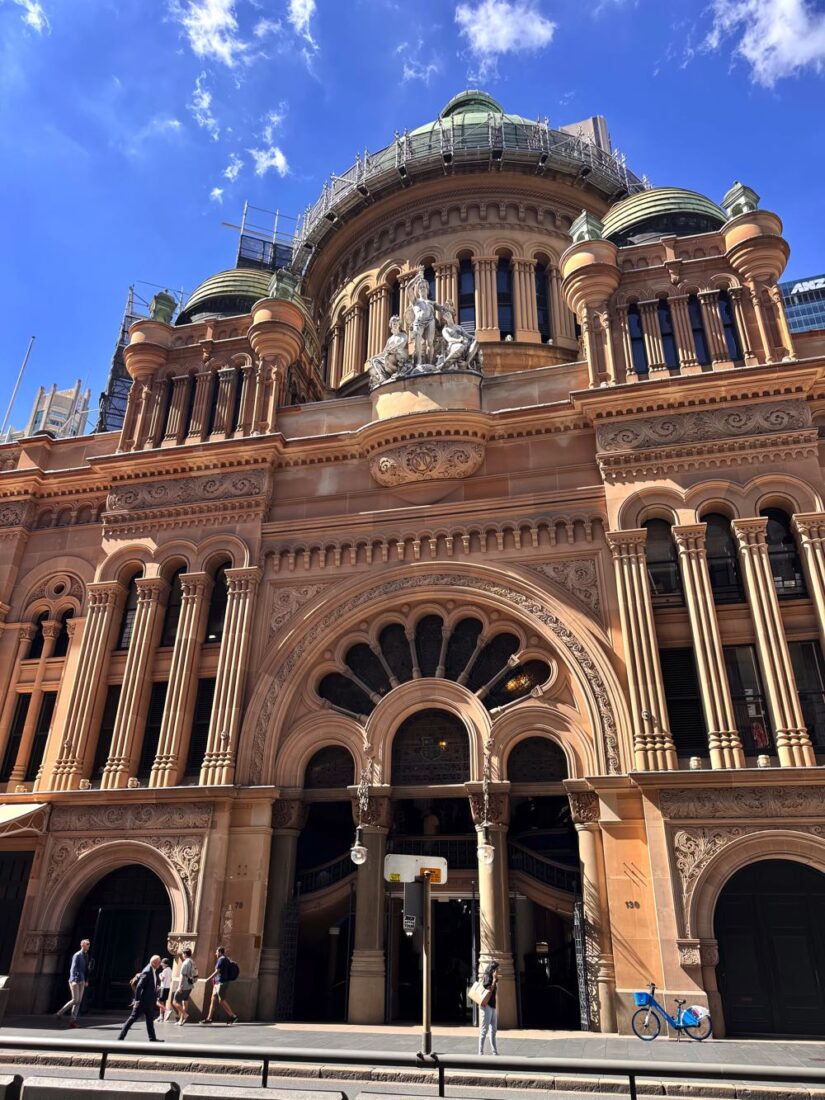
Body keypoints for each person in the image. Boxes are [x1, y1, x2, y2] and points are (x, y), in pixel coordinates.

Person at [117, 955, 163, 1042]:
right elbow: (139, 986)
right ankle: (120, 1037)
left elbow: (149, 985)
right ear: (153, 963)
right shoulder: (147, 971)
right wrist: (137, 1000)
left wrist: (156, 989)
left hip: (149, 1002)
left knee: (150, 1021)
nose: (160, 964)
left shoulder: (153, 970)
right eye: (158, 962)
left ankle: (152, 1038)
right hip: (142, 1002)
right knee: (132, 1019)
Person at [55, 938, 90, 1028]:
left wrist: (86, 980)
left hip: (82, 980)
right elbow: (73, 968)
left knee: (78, 1002)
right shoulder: (77, 955)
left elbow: (86, 969)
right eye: (87, 944)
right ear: (82, 945)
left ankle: (72, 1021)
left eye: (89, 944)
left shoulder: (86, 956)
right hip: (75, 980)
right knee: (75, 1000)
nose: (88, 946)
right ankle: (60, 1013)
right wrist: (73, 979)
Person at [200, 946, 238, 1025]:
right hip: (218, 982)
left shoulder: (221, 960)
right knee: (213, 999)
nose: (215, 954)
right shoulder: (226, 959)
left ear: (220, 952)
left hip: (221, 982)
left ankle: (233, 1016)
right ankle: (209, 1018)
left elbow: (217, 971)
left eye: (216, 952)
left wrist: (208, 978)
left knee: (221, 1000)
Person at [478, 960, 499, 1055]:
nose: (498, 971)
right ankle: (480, 1052)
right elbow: (489, 990)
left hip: (493, 1006)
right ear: (492, 970)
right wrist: (494, 980)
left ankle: (494, 1052)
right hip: (487, 1006)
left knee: (493, 1030)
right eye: (496, 969)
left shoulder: (492, 977)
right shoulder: (487, 977)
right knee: (484, 1030)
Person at [171, 948, 196, 1025]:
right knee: (184, 1002)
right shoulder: (192, 961)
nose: (182, 955)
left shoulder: (185, 963)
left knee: (175, 1001)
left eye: (183, 954)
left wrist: (179, 986)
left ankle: (185, 1015)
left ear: (185, 954)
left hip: (184, 986)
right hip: (190, 985)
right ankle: (181, 1021)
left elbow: (182, 975)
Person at [157, 957, 173, 1022]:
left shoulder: (165, 970)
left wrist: (159, 975)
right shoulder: (170, 970)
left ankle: (167, 1011)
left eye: (162, 964)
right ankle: (161, 1016)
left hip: (163, 988)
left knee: (158, 1001)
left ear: (165, 964)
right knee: (162, 1002)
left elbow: (162, 979)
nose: (161, 965)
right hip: (167, 988)